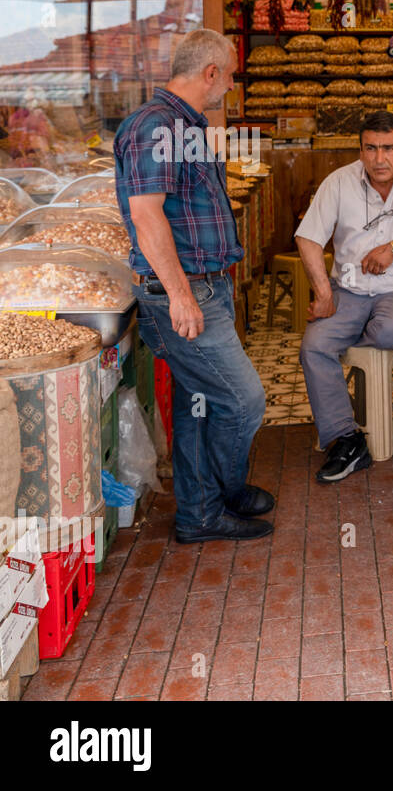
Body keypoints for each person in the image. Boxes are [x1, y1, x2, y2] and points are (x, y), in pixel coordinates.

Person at [115, 28, 272, 544]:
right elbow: (146, 215)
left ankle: (200, 512)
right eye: (228, 76)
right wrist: (182, 295)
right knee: (244, 399)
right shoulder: (154, 127)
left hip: (206, 287)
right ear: (209, 73)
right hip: (184, 294)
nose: (229, 85)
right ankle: (222, 492)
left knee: (198, 401)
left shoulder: (181, 126)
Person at [295, 110, 393, 483]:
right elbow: (307, 237)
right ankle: (346, 439)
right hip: (348, 290)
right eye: (370, 148)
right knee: (315, 345)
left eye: (388, 149)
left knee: (389, 332)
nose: (379, 159)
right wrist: (323, 293)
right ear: (361, 149)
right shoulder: (339, 182)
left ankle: (342, 382)